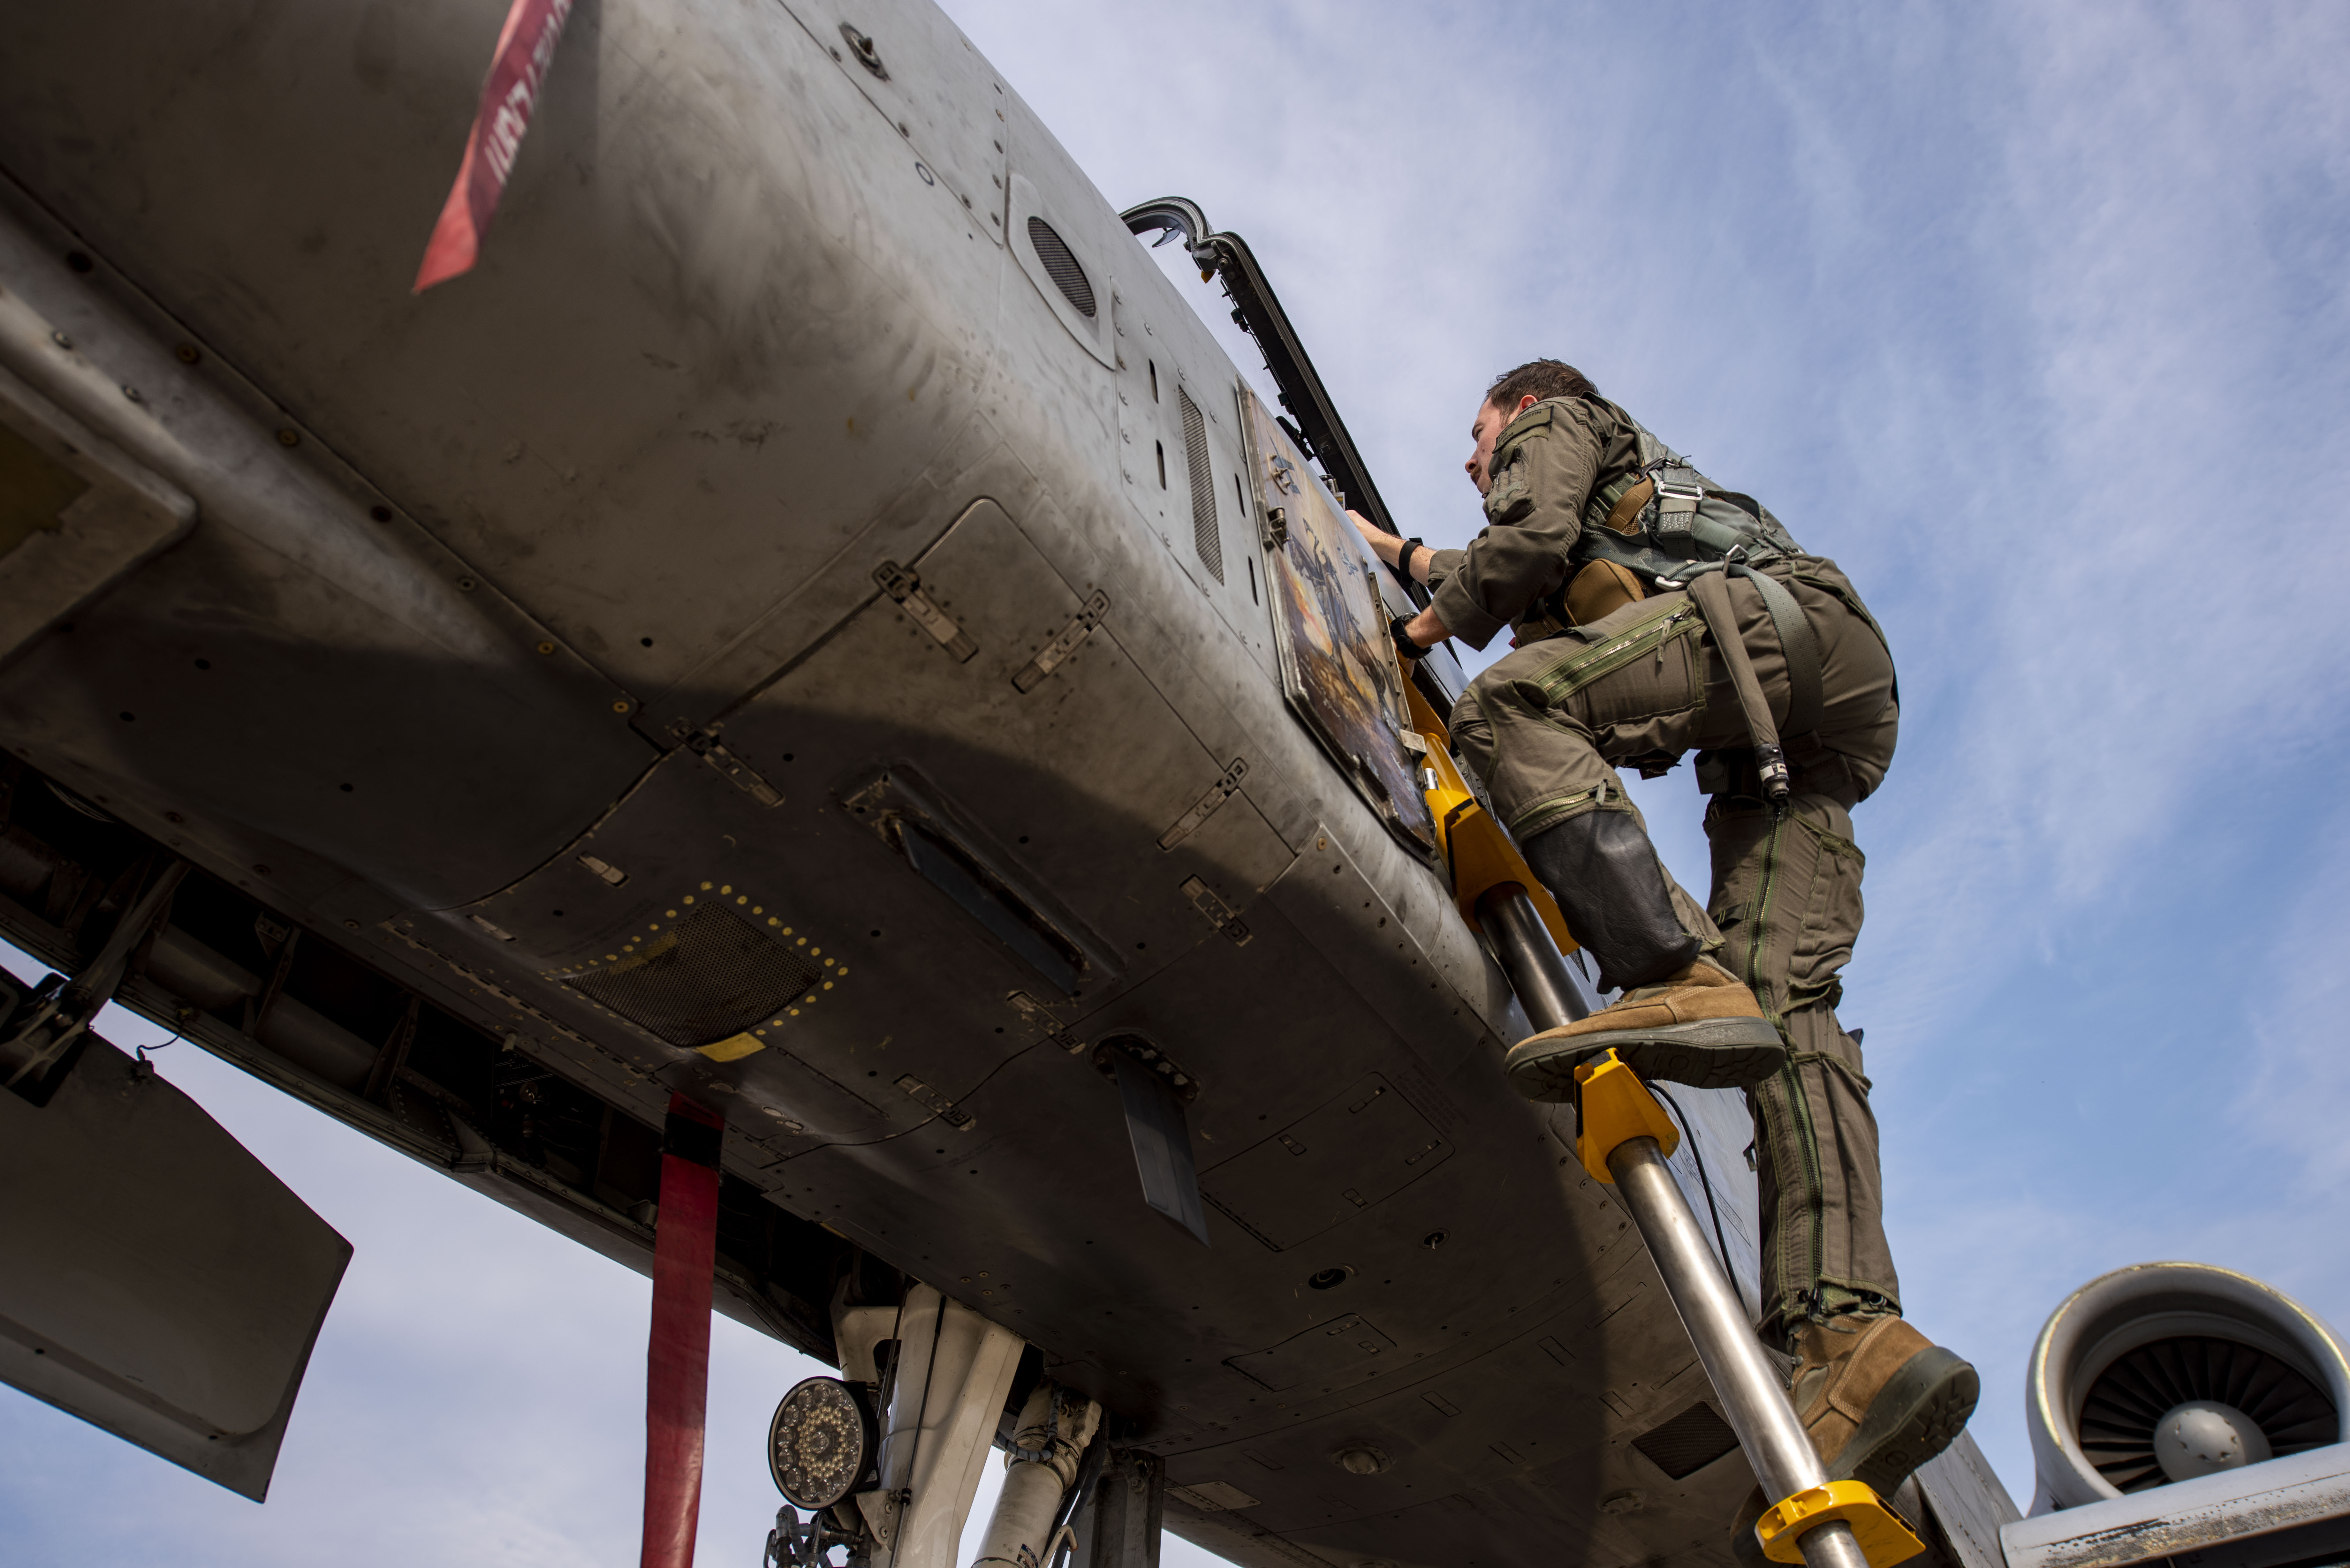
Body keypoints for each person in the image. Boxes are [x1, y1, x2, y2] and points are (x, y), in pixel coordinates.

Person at [1355, 359, 1976, 1524]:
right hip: (1816, 713)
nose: (1471, 457)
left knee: (1508, 707)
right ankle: (1853, 1336)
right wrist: (1399, 553)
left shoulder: (1556, 415)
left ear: (1518, 409)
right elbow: (1513, 563)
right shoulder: (1614, 491)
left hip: (1762, 640)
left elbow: (1529, 540)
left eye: (1475, 435)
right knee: (1786, 1007)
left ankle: (1663, 971)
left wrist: (1433, 620)